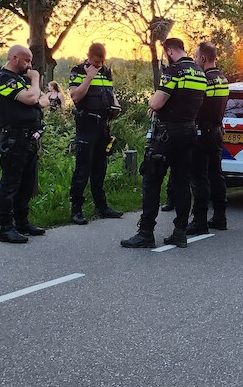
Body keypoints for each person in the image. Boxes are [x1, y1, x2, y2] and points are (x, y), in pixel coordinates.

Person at [121, 37, 207, 248]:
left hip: (167, 134)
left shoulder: (174, 71)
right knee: (181, 182)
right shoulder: (199, 72)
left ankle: (146, 233)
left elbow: (157, 102)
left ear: (169, 50)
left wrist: (152, 103)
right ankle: (180, 232)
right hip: (189, 132)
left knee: (151, 180)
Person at [0, 44, 50, 244]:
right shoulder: (3, 80)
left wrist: (34, 95)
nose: (30, 65)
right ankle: (6, 227)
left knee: (27, 183)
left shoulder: (19, 81)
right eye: (26, 61)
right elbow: (34, 97)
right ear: (14, 58)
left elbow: (42, 101)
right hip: (15, 139)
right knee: (11, 183)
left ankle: (22, 221)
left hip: (30, 139)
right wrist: (35, 81)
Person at [67, 43, 124, 225]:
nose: (99, 65)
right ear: (89, 57)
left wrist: (115, 105)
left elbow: (110, 92)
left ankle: (102, 206)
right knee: (83, 168)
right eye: (96, 61)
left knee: (100, 167)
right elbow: (75, 97)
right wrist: (89, 77)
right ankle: (76, 209)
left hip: (103, 126)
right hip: (86, 125)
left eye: (101, 61)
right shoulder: (78, 70)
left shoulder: (106, 71)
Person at [187, 41, 230, 234]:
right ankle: (220, 217)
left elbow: (196, 107)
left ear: (203, 58)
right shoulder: (222, 78)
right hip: (216, 132)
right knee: (216, 175)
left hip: (201, 133)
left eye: (196, 57)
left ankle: (200, 220)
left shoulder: (203, 80)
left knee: (199, 177)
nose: (195, 60)